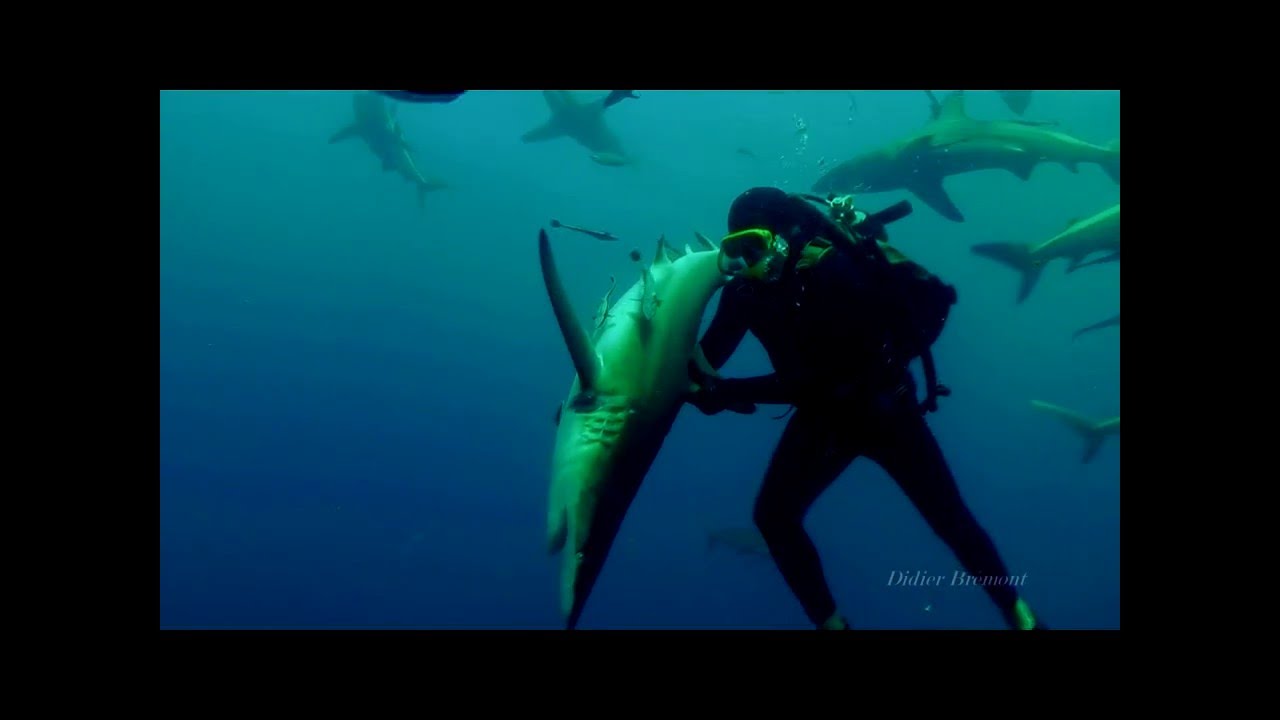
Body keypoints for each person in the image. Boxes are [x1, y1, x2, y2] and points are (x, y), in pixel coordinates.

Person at [687, 186, 1048, 631]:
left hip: (884, 410)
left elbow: (821, 378)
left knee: (950, 519)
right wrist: (683, 366)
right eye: (735, 249)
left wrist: (728, 392)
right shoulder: (746, 293)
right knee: (773, 518)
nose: (747, 260)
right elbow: (706, 360)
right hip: (825, 417)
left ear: (783, 236)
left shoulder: (833, 271)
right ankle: (833, 626)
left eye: (754, 244)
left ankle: (1020, 616)